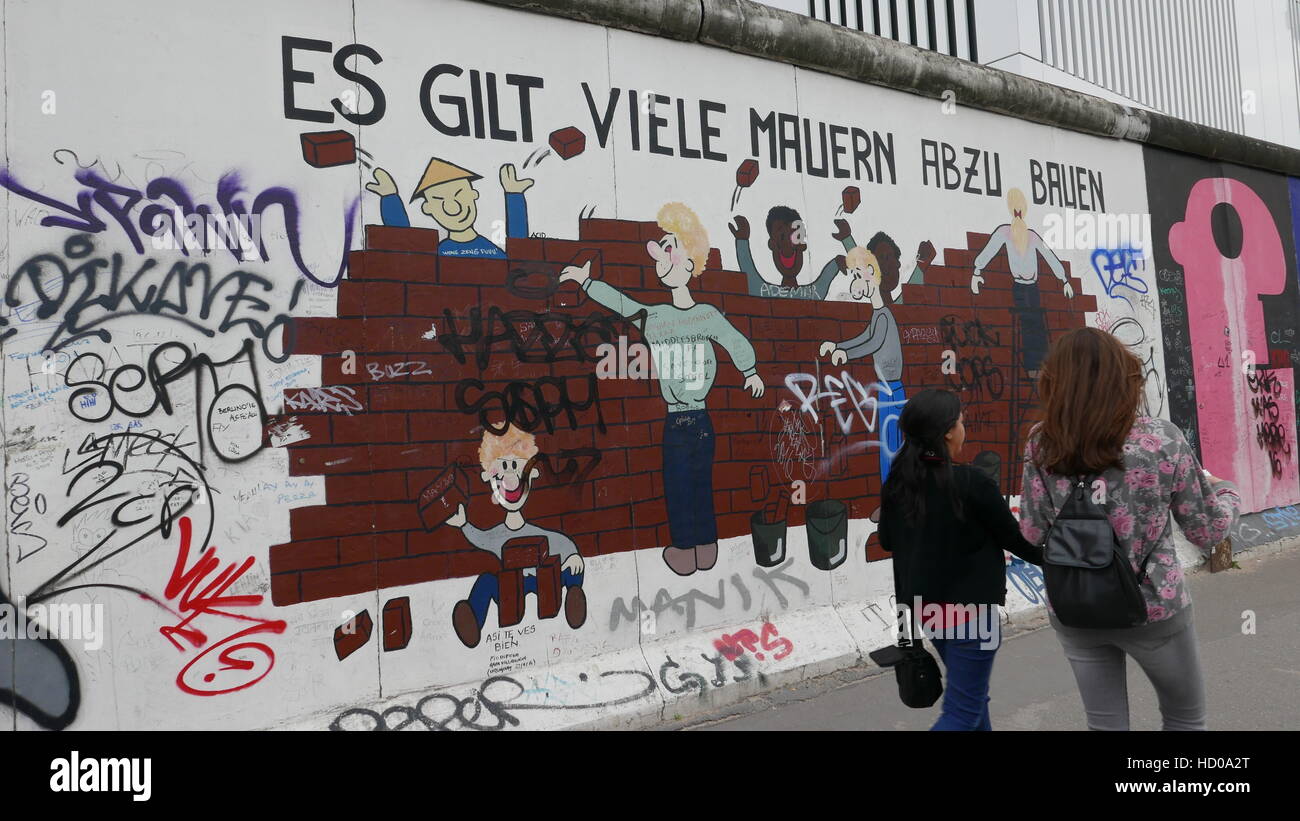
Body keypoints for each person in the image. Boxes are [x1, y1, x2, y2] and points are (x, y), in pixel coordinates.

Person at [1018, 327, 1240, 731]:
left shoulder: (1041, 443)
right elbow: (1207, 532)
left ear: (1055, 382)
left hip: (1076, 605)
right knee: (1185, 719)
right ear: (1125, 379)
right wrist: (1228, 493)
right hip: (1153, 604)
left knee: (1104, 725)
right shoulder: (1161, 439)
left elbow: (1032, 533)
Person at [561, 202, 764, 576]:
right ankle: (694, 548)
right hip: (684, 419)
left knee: (692, 483)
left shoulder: (705, 314)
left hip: (693, 418)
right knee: (683, 484)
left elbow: (734, 339)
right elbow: (623, 305)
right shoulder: (655, 316)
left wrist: (749, 371)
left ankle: (698, 547)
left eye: (672, 248)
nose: (663, 257)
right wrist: (588, 283)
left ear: (691, 264)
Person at [877, 388, 1044, 731]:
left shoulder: (899, 483)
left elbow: (888, 541)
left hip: (928, 612)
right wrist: (1064, 558)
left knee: (972, 701)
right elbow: (1015, 540)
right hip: (972, 616)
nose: (964, 429)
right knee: (963, 713)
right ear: (948, 432)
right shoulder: (971, 482)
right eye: (961, 422)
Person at [445, 426, 586, 647]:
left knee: (571, 569)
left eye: (516, 467)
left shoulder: (538, 533)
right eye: (503, 468)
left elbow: (559, 542)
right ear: (489, 477)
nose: (510, 478)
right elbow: (481, 539)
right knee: (487, 582)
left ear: (531, 474)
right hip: (511, 585)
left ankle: (574, 596)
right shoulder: (497, 536)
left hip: (544, 578)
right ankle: (473, 618)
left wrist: (573, 555)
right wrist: (463, 524)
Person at [970, 188, 1073, 375]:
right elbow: (989, 251)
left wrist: (1064, 279)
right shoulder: (1006, 232)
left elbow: (1049, 256)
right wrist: (977, 271)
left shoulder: (1030, 235)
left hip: (1031, 288)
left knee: (1037, 326)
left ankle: (1041, 368)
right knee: (1029, 326)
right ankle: (1034, 368)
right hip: (1021, 288)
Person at [365, 158, 533, 258]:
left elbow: (518, 261)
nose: (452, 207)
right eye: (439, 199)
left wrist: (514, 195)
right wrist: (390, 198)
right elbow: (406, 251)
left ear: (473, 194)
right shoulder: (439, 253)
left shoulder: (492, 252)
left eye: (459, 194)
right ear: (427, 208)